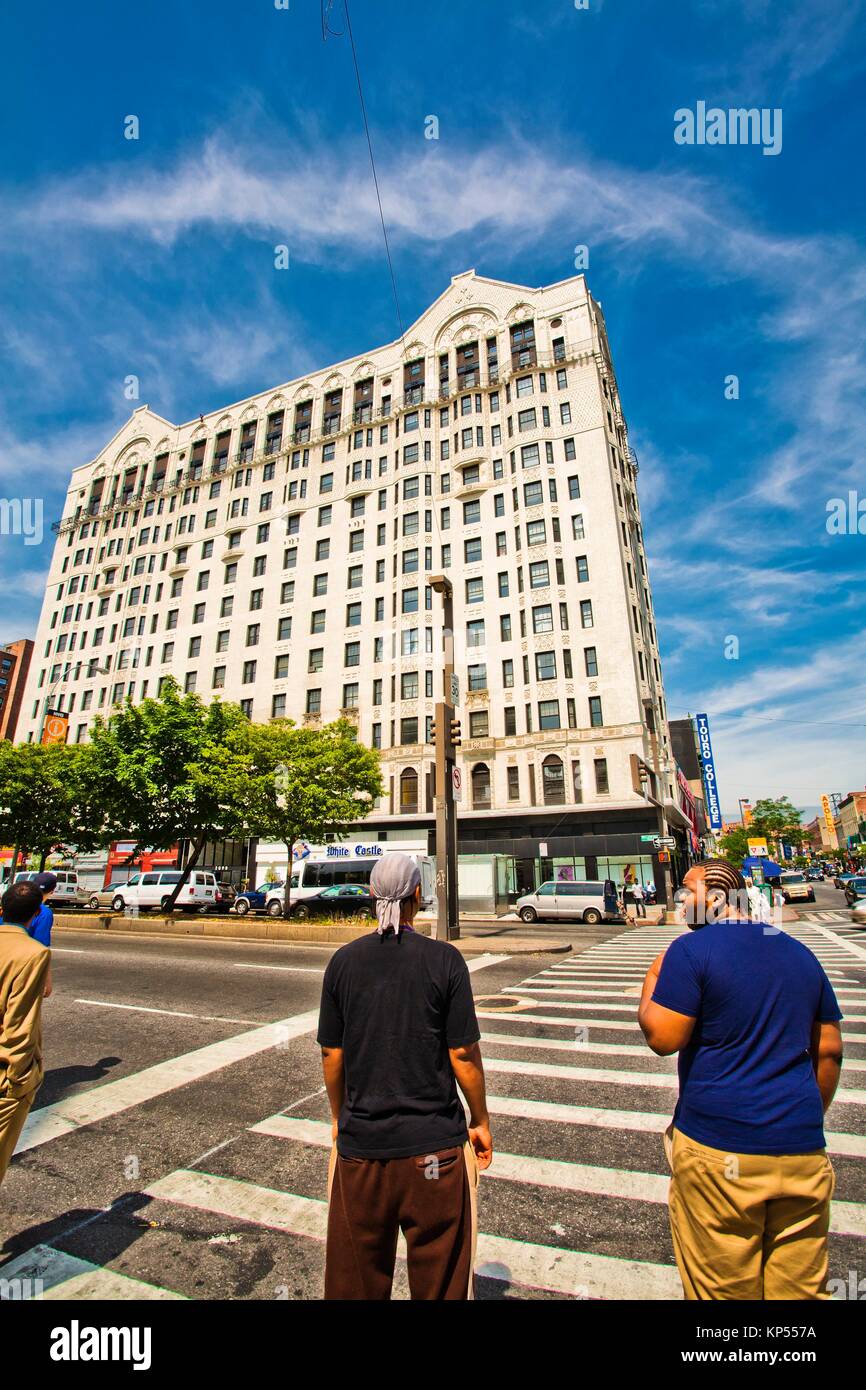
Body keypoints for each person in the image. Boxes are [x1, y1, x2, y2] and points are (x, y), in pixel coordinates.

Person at [638, 858, 843, 1300]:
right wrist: (806, 1115)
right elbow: (829, 1050)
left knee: (723, 1291)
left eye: (686, 891)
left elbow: (663, 1037)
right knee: (801, 1293)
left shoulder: (691, 951)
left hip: (720, 1151)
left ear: (713, 898)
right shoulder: (798, 951)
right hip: (802, 1153)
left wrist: (653, 980)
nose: (678, 901)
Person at [318, 852, 493, 1300]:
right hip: (435, 1154)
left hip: (362, 1155)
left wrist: (340, 1117)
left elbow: (332, 1055)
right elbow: (462, 1053)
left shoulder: (343, 963)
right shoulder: (445, 961)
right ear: (419, 896)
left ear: (373, 896)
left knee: (355, 1284)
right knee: (441, 1285)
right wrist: (480, 1119)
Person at [0, 881, 51, 1187]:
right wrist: (19, 1078)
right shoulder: (32, 954)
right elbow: (21, 1024)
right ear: (35, 915)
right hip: (7, 1074)